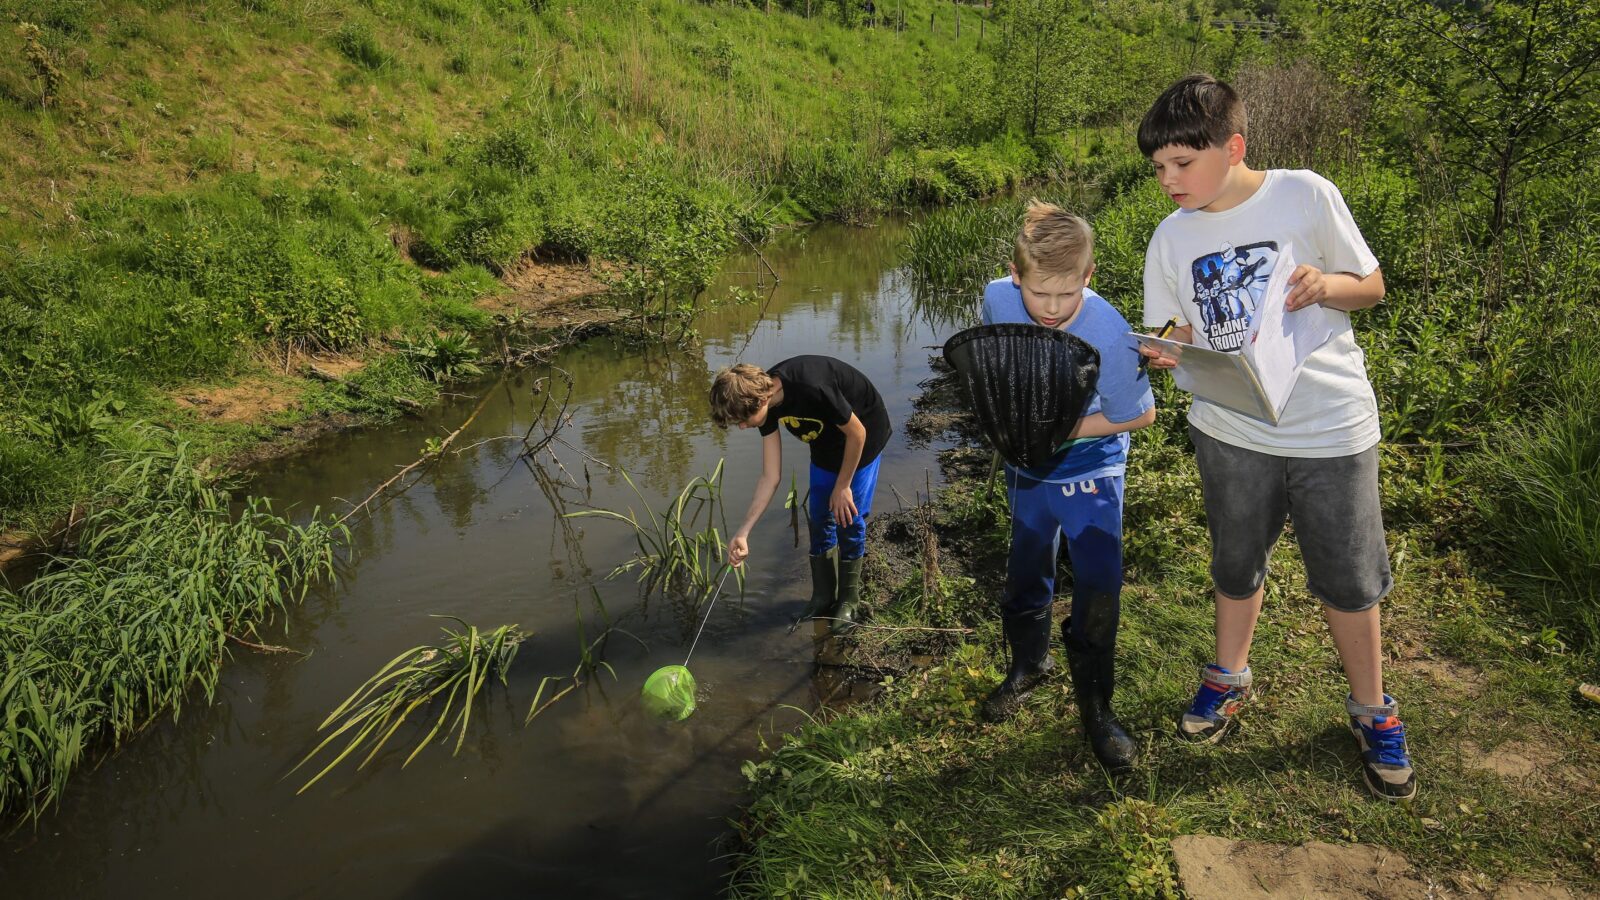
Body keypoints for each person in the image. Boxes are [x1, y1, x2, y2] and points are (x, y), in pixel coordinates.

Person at [1137, 73, 1415, 801]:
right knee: (1236, 561)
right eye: (1158, 168)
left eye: (1182, 163)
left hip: (1330, 425)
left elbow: (1373, 286)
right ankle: (1227, 678)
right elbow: (1176, 325)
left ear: (1233, 147)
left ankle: (1372, 709)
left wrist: (1327, 286)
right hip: (1229, 428)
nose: (1169, 180)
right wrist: (1167, 346)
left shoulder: (1304, 194)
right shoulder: (1170, 237)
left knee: (1350, 579)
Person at [978, 200, 1156, 773]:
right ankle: (1029, 666)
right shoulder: (997, 298)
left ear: (1089, 278)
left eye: (1067, 294)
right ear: (1015, 277)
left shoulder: (1109, 330)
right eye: (1039, 293)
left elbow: (1139, 416)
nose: (1052, 310)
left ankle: (1098, 710)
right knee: (1027, 566)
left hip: (1091, 463)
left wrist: (1061, 428)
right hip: (1028, 467)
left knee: (1099, 583)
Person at [710, 358, 891, 634]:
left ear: (761, 401)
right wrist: (743, 532)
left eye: (743, 421)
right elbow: (771, 476)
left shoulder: (813, 386)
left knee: (848, 518)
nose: (742, 427)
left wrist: (843, 486)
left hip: (862, 437)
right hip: (825, 442)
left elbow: (857, 433)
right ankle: (822, 597)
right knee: (819, 515)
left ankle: (848, 600)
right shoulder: (764, 400)